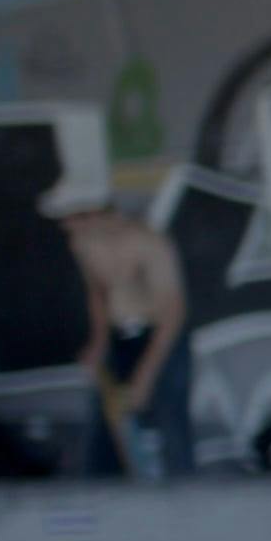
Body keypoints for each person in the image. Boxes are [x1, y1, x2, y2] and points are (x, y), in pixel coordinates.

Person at [50, 176, 195, 482]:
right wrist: (99, 342)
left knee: (171, 420)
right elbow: (98, 293)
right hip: (120, 336)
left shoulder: (149, 244)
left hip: (161, 337)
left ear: (93, 213)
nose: (67, 227)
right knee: (104, 419)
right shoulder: (82, 242)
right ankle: (100, 495)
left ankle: (186, 502)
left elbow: (173, 313)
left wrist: (145, 376)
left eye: (73, 219)